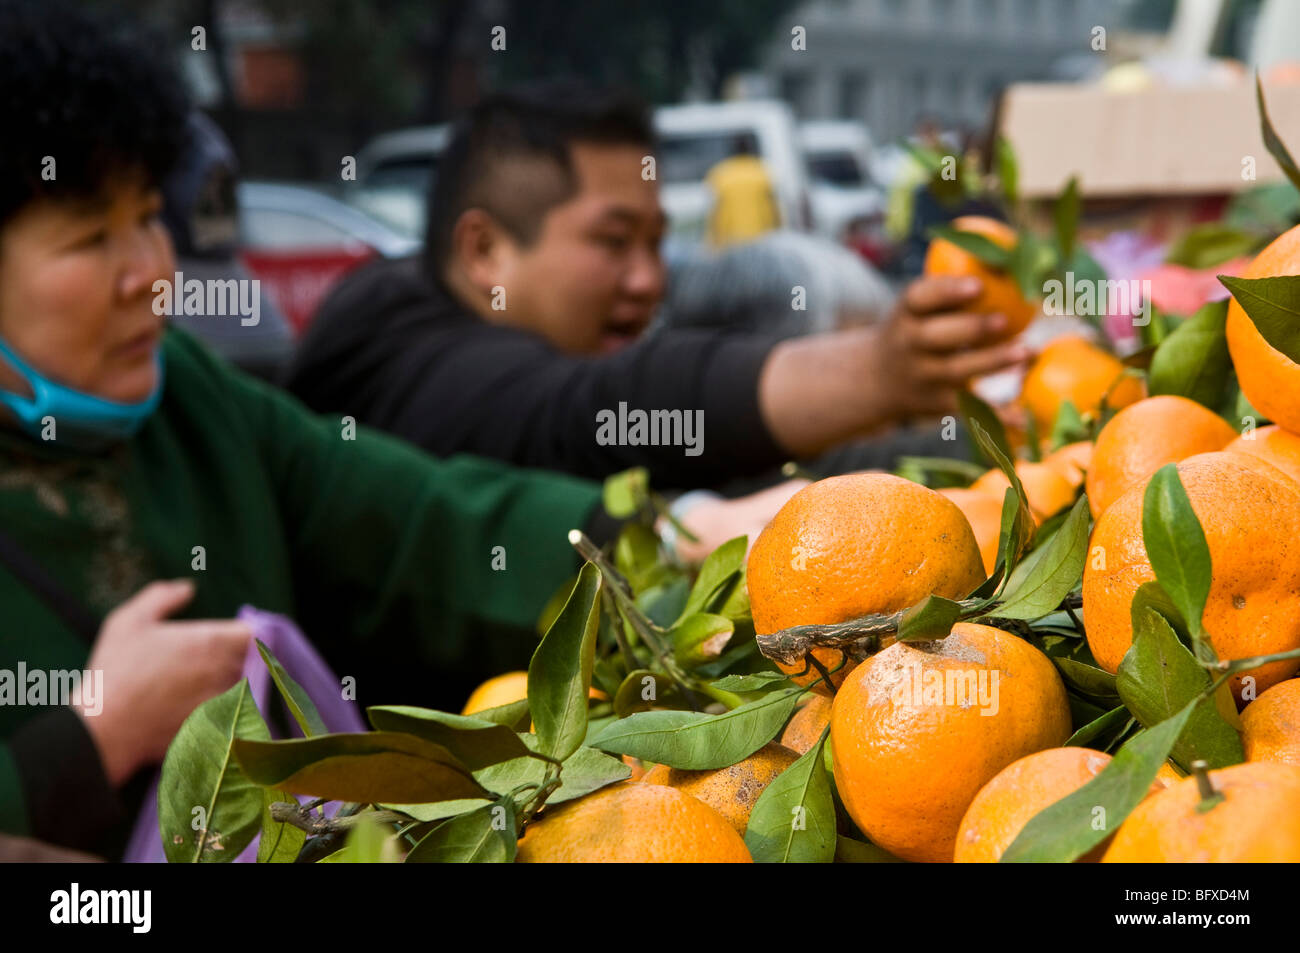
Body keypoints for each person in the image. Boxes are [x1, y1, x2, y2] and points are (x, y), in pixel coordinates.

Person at [0, 0, 785, 859]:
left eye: (149, 217)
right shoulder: (398, 341)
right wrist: (90, 739)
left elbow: (424, 521)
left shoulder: (190, 397)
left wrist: (672, 534)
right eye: (89, 239)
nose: (151, 272)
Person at [287, 83, 1028, 492]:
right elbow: (604, 408)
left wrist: (965, 443)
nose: (648, 279)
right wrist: (875, 373)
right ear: (485, 250)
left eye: (655, 240)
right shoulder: (390, 354)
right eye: (613, 242)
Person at [705, 133, 781, 247]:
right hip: (761, 235)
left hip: (731, 238)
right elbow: (773, 206)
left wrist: (714, 240)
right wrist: (778, 230)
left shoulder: (721, 173)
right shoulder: (762, 171)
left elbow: (716, 209)